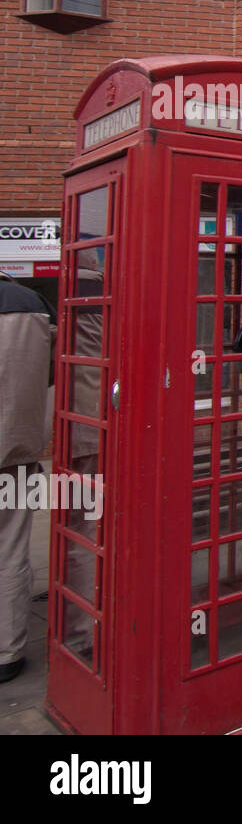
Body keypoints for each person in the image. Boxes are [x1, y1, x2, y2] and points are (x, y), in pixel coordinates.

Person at [0, 272, 55, 684]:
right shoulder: (33, 304)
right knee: (10, 551)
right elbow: (55, 371)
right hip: (17, 449)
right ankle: (7, 652)